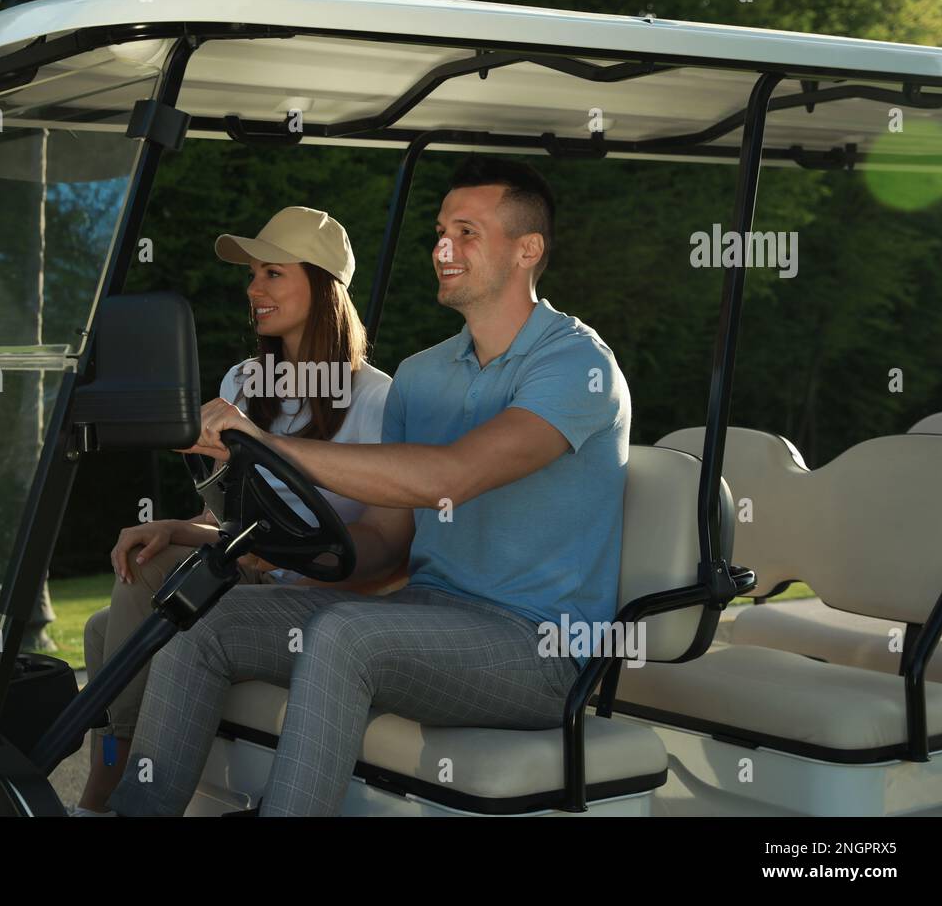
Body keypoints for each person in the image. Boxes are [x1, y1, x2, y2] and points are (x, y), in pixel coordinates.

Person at [105, 155, 632, 817]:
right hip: (426, 617)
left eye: (467, 232)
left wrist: (264, 444)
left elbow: (454, 476)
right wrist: (289, 549)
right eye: (441, 230)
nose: (444, 247)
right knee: (201, 615)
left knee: (349, 636)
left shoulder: (577, 364)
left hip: (542, 652)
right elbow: (385, 543)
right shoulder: (423, 374)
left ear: (528, 250)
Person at [75, 207, 394, 813]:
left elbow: (377, 545)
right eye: (252, 275)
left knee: (123, 609)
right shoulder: (244, 384)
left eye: (272, 273)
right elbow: (238, 530)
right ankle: (113, 784)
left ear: (323, 287)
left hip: (324, 593)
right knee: (131, 583)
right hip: (252, 575)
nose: (253, 290)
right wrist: (173, 526)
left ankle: (106, 795)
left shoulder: (379, 400)